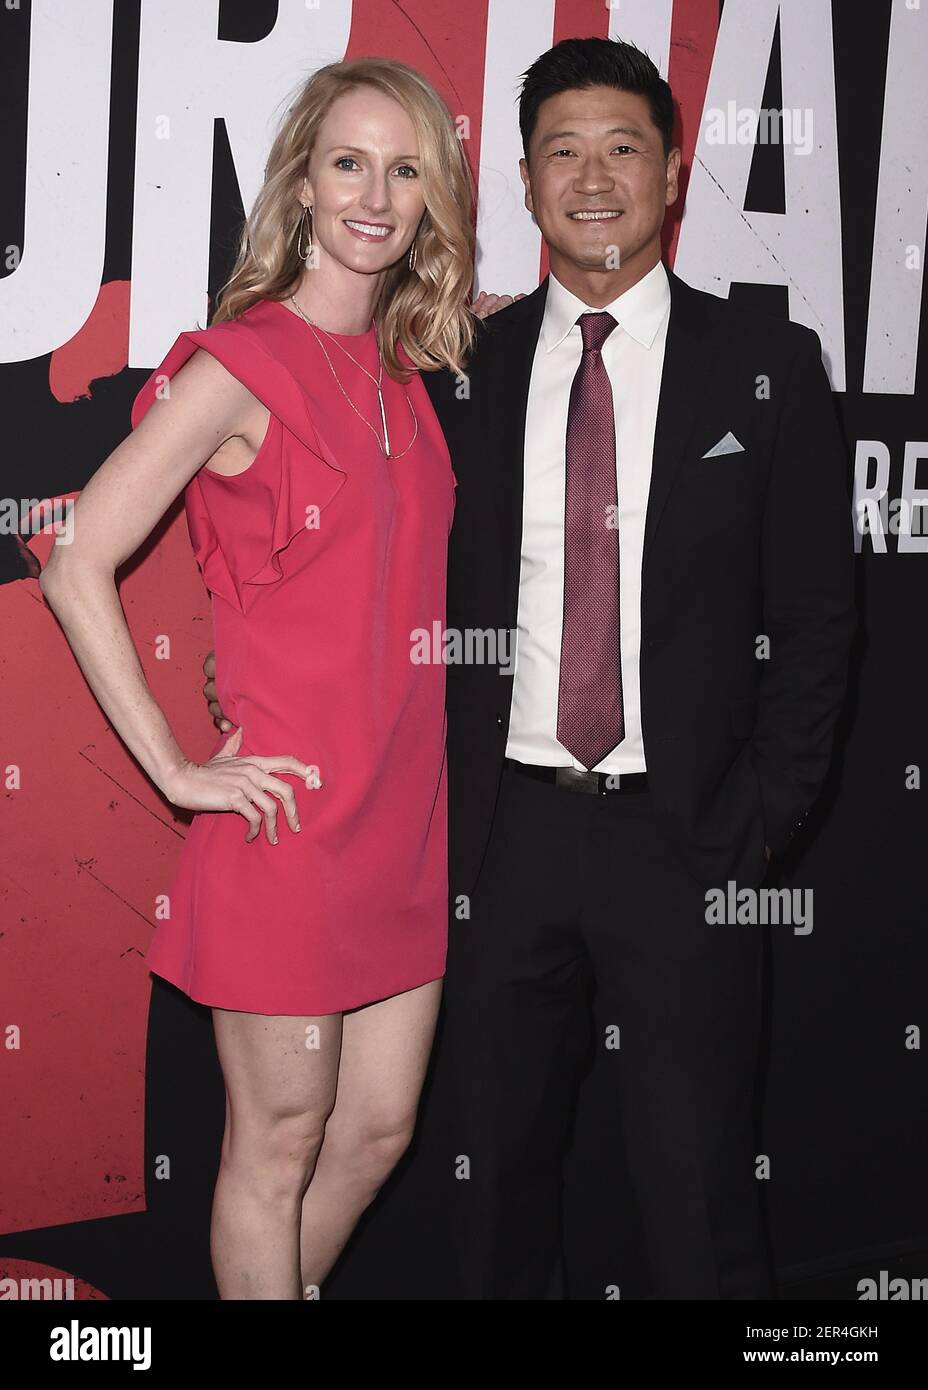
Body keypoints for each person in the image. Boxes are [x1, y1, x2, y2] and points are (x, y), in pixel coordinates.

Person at [205, 37, 857, 1298]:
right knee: (491, 1184)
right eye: (562, 150)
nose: (593, 175)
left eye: (623, 146)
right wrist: (244, 683)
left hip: (692, 842)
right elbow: (350, 563)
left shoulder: (767, 369)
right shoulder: (458, 372)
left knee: (701, 1190)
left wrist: (759, 823)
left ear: (672, 173)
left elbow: (819, 623)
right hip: (496, 841)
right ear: (522, 180)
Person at [39, 57, 480, 1300]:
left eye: (405, 169)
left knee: (378, 1131)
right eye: (348, 162)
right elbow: (79, 562)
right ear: (300, 183)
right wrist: (181, 768)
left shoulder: (409, 373)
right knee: (277, 1145)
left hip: (404, 820)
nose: (376, 195)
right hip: (288, 822)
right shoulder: (242, 362)